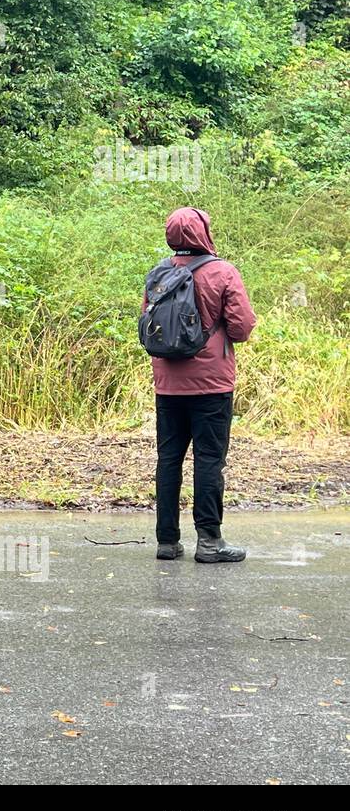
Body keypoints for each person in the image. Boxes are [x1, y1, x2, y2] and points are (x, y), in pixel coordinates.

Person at [145, 207, 256, 563]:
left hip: (167, 384)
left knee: (169, 459)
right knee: (209, 460)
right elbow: (241, 328)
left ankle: (166, 542)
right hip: (212, 384)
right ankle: (209, 542)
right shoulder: (223, 272)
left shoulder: (158, 274)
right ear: (203, 232)